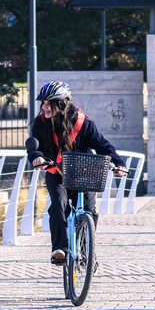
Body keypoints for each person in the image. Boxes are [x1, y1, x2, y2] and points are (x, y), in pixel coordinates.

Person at [26, 81, 128, 265]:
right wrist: (36, 157)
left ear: (62, 103)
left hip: (84, 172)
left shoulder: (82, 122)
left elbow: (102, 145)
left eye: (49, 103)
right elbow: (34, 147)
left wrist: (118, 163)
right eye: (43, 103)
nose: (44, 107)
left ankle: (88, 252)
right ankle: (60, 249)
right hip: (56, 172)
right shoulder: (40, 123)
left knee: (90, 211)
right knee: (58, 204)